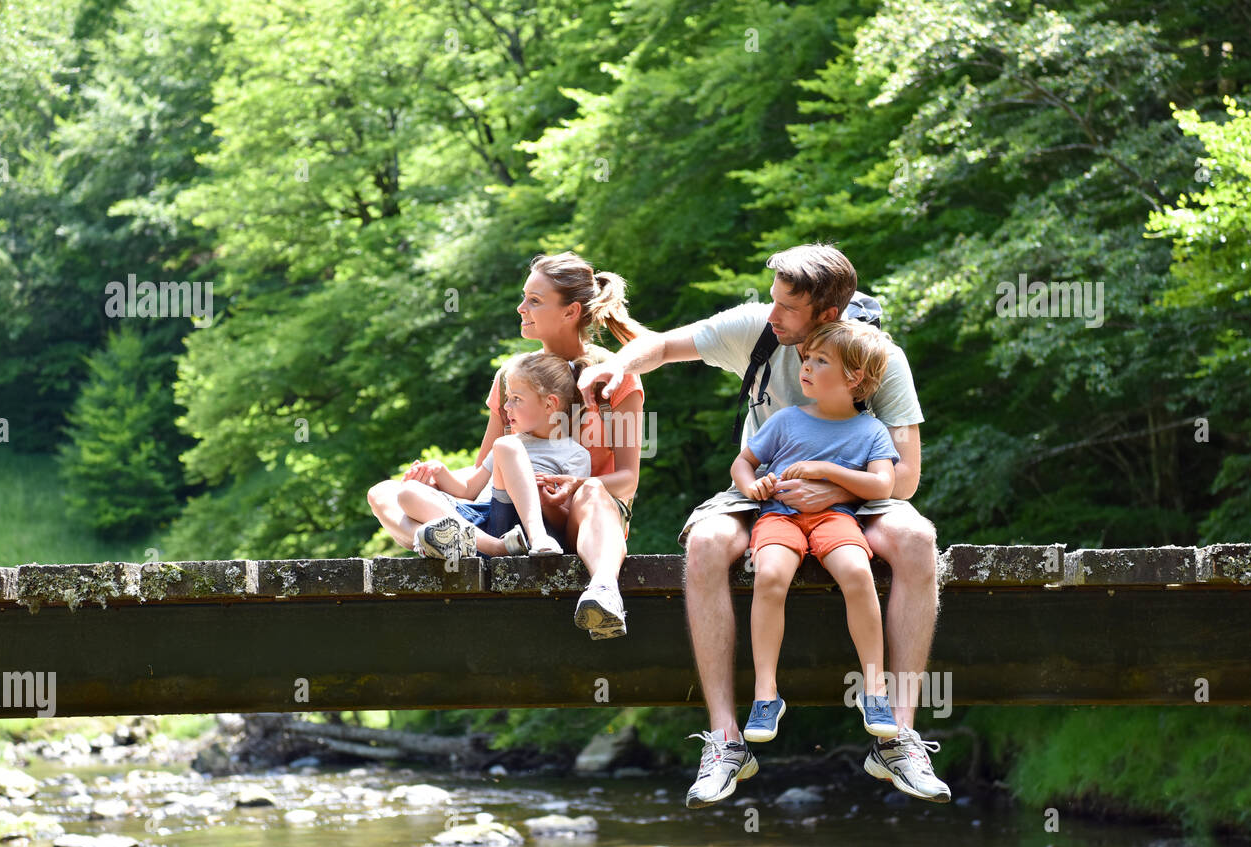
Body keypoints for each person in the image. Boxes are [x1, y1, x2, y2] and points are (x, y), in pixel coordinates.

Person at [577, 242, 950, 806]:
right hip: (763, 492)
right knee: (704, 541)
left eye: (787, 309)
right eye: (772, 301)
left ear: (828, 315)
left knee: (919, 538)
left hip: (857, 496)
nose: (771, 315)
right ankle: (726, 741)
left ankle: (897, 737)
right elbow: (661, 347)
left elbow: (907, 477)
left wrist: (837, 483)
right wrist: (617, 365)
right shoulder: (759, 328)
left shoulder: (878, 359)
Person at [368, 253, 648, 639]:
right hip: (509, 517)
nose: (521, 308)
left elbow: (628, 480)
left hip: (580, 516)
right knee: (386, 492)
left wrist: (574, 486)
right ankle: (470, 543)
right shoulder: (511, 376)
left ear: (571, 312)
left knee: (596, 490)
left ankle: (603, 589)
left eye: (535, 300)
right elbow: (486, 466)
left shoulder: (616, 377)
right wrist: (437, 479)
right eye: (523, 298)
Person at [732, 321, 900, 745]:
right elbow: (742, 463)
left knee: (858, 574)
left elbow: (883, 485)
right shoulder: (787, 420)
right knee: (769, 576)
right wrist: (753, 486)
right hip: (779, 516)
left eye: (819, 361)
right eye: (806, 358)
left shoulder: (871, 431)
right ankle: (765, 695)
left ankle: (875, 691)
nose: (805, 367)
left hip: (835, 518)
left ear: (854, 377)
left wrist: (825, 470)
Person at [398, 352, 591, 563]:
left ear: (549, 405)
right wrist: (440, 472)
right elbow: (468, 490)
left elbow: (567, 522)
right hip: (485, 524)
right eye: (507, 398)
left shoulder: (574, 454)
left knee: (505, 444)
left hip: (523, 528)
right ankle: (489, 547)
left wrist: (548, 502)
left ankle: (537, 537)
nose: (507, 407)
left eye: (516, 399)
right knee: (407, 493)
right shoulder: (511, 442)